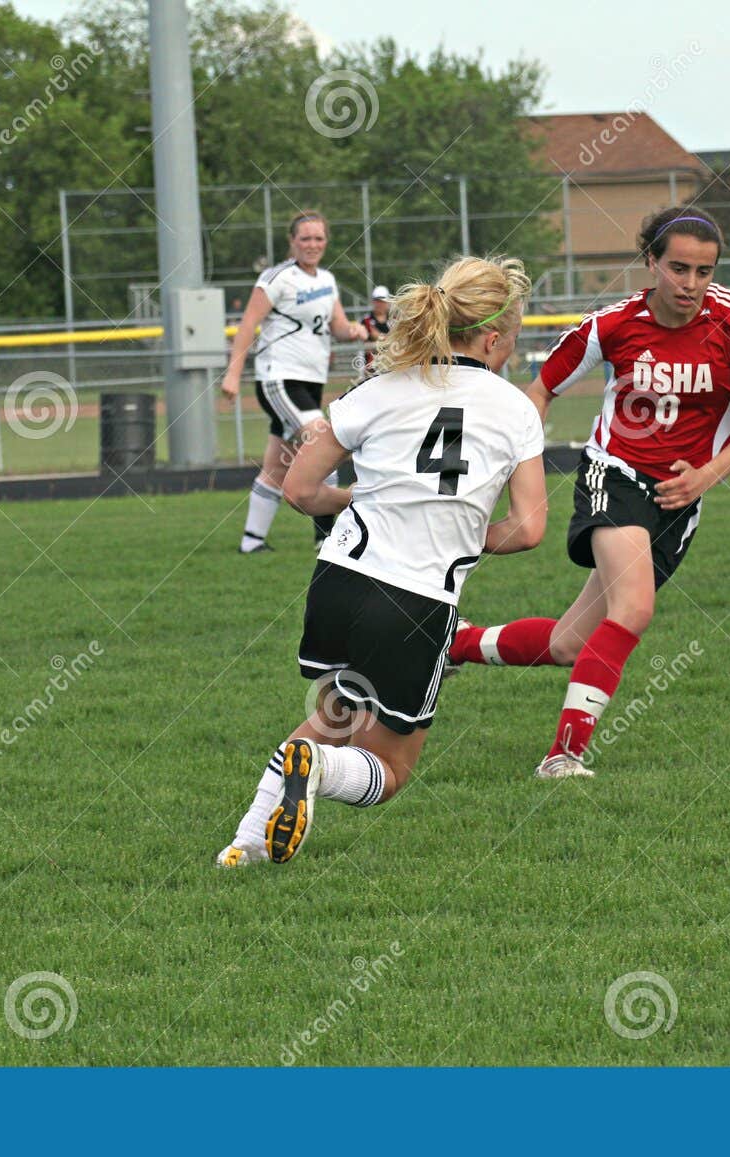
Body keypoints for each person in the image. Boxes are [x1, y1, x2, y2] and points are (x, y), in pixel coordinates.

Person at [216, 256, 548, 868]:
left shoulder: (379, 387)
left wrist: (357, 501)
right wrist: (462, 534)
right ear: (495, 337)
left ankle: (244, 849)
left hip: (340, 579)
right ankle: (314, 770)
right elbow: (529, 529)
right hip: (417, 599)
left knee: (336, 709)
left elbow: (299, 491)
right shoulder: (516, 410)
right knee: (390, 768)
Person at [446, 207, 730, 779]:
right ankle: (564, 755)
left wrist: (704, 477)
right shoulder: (611, 324)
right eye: (678, 268)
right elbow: (538, 391)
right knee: (634, 609)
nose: (691, 283)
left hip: (680, 501)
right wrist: (509, 465)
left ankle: (454, 645)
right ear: (651, 262)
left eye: (704, 271)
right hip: (614, 475)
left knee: (567, 643)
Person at [217, 211, 367, 552]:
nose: (312, 244)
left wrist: (353, 330)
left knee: (275, 466)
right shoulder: (278, 277)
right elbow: (247, 325)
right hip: (280, 380)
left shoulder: (327, 281)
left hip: (310, 383)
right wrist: (233, 373)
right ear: (292, 241)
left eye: (318, 238)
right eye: (305, 238)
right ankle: (327, 539)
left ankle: (251, 541)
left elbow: (338, 326)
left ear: (326, 242)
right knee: (324, 447)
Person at [357, 285, 391, 379]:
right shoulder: (366, 321)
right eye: (377, 301)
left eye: (382, 301)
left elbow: (398, 341)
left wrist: (378, 337)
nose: (379, 304)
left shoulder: (394, 320)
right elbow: (366, 346)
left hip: (391, 365)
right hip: (370, 367)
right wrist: (387, 339)